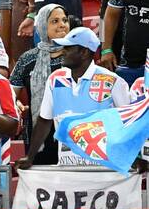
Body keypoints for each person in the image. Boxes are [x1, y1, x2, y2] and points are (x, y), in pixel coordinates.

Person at [20, 26, 132, 167]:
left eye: (68, 48)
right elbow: (44, 121)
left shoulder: (113, 81)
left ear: (84, 52)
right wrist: (30, 157)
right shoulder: (55, 79)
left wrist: (133, 158)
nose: (62, 52)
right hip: (68, 169)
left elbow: (128, 124)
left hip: (104, 171)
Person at [10, 3, 70, 161]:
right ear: (43, 25)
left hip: (71, 135)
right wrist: (15, 103)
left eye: (65, 20)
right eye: (55, 21)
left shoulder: (76, 55)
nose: (62, 25)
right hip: (37, 135)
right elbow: (10, 95)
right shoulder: (27, 59)